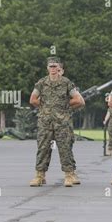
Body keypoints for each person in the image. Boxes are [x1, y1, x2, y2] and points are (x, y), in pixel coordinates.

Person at [29, 56, 84, 187]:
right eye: (50, 66)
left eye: (55, 66)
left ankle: (69, 175)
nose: (53, 69)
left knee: (65, 148)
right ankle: (39, 176)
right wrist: (45, 108)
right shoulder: (42, 83)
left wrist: (64, 107)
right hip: (45, 122)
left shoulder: (66, 83)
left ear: (59, 68)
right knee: (43, 148)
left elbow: (77, 99)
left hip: (62, 122)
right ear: (47, 68)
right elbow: (33, 99)